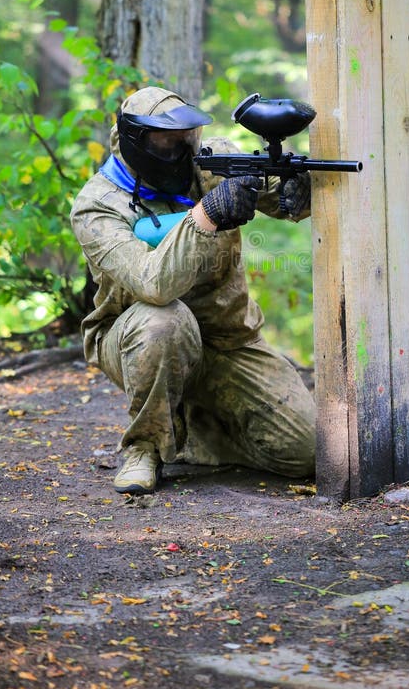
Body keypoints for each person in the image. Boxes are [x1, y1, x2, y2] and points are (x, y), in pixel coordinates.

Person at [70, 85, 316, 494]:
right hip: (136, 337)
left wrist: (295, 189)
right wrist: (207, 214)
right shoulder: (98, 206)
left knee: (305, 452)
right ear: (136, 142)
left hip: (228, 340)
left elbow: (283, 199)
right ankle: (145, 447)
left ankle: (198, 431)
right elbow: (155, 284)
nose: (181, 153)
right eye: (167, 143)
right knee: (164, 320)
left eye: (187, 140)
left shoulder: (211, 163)